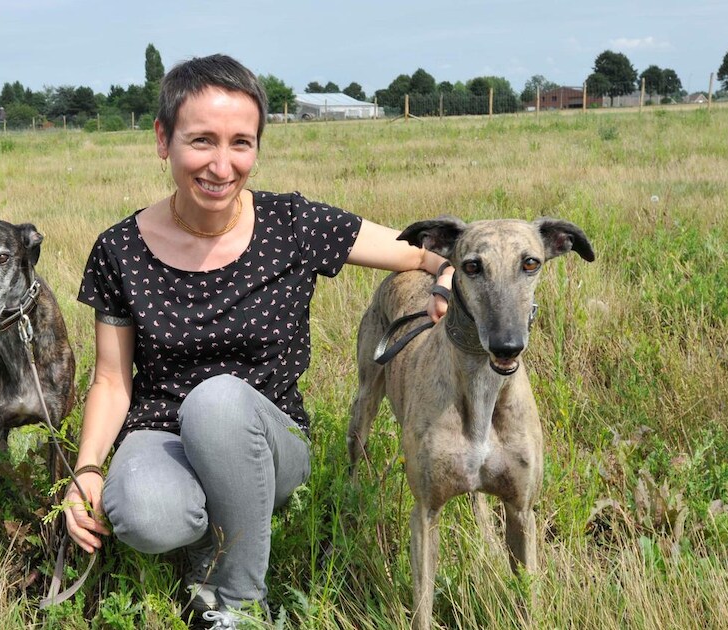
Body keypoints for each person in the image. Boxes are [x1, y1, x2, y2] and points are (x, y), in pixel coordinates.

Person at [64, 54, 453, 627]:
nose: (222, 165)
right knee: (144, 515)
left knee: (217, 400)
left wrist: (446, 275)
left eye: (241, 143)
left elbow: (421, 251)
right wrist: (88, 469)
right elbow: (111, 379)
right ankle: (210, 537)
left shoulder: (292, 224)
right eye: (201, 141)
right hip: (160, 432)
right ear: (162, 140)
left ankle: (238, 603)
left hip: (267, 443)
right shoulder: (120, 248)